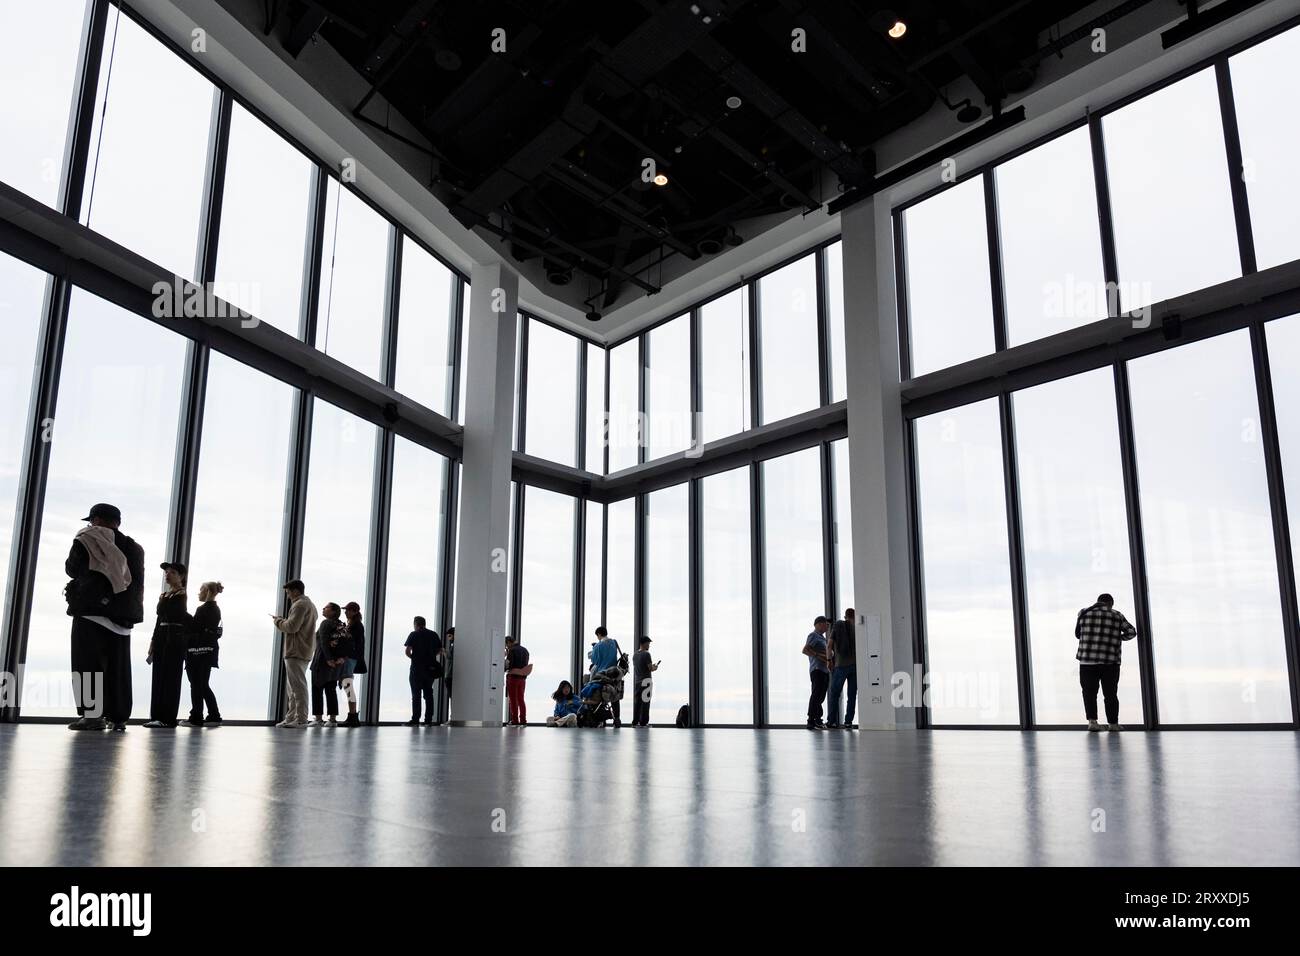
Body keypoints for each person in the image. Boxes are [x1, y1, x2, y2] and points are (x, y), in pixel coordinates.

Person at [64, 503, 144, 732]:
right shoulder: (135, 547)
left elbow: (72, 569)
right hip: (123, 617)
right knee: (118, 667)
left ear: (97, 519)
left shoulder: (87, 537)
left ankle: (92, 716)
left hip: (91, 611)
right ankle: (118, 717)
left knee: (86, 664)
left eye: (91, 520)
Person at [1076, 592, 1137, 732]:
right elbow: (1131, 632)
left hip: (1087, 661)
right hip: (1110, 661)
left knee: (1089, 692)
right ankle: (1113, 724)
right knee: (1110, 693)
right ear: (1110, 603)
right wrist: (1117, 638)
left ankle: (1092, 722)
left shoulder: (1083, 613)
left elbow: (1078, 634)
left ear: (1098, 601)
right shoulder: (1117, 615)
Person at [143, 562, 191, 729]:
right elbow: (159, 620)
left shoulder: (181, 595)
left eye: (172, 572)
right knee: (158, 676)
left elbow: (174, 614)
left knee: (171, 677)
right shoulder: (165, 595)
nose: (167, 574)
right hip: (163, 636)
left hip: (175, 638)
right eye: (167, 572)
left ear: (181, 577)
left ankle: (168, 718)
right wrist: (153, 641)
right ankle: (156, 715)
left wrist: (164, 603)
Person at [272, 580, 318, 728]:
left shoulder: (299, 605)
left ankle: (301, 719)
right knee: (293, 687)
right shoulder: (310, 605)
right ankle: (291, 717)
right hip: (304, 650)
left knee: (297, 687)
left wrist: (278, 621)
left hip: (296, 650)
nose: (288, 596)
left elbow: (292, 627)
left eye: (288, 592)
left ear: (296, 591)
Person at [184, 581, 224, 726]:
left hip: (197, 652)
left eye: (201, 589)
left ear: (207, 591)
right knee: (202, 684)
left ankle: (196, 717)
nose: (198, 592)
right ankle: (213, 715)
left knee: (196, 684)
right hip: (208, 651)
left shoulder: (203, 609)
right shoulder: (215, 609)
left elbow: (195, 629)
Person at [310, 603, 346, 726]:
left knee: (317, 689)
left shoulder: (325, 623)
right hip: (336, 664)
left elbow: (324, 642)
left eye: (326, 608)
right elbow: (345, 643)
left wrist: (328, 659)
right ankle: (332, 719)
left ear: (333, 611)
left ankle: (318, 719)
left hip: (322, 662)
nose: (323, 609)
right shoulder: (340, 624)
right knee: (331, 690)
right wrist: (338, 658)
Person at [405, 616, 443, 726]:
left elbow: (407, 651)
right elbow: (440, 650)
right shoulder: (433, 634)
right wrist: (431, 657)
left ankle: (415, 719)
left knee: (416, 695)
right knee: (428, 694)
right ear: (424, 623)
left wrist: (414, 658)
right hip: (430, 669)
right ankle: (428, 720)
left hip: (416, 669)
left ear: (415, 624)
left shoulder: (414, 634)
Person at [826, 608, 857, 730]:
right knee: (852, 695)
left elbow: (829, 646)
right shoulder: (857, 628)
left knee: (834, 694)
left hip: (840, 665)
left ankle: (831, 721)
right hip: (855, 666)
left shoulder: (837, 627)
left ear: (845, 616)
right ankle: (848, 722)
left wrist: (829, 661)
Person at [339, 601, 368, 727]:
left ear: (355, 611)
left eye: (348, 610)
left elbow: (351, 643)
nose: (346, 612)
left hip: (349, 658)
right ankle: (352, 716)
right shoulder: (355, 625)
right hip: (351, 658)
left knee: (348, 685)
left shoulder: (356, 626)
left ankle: (353, 716)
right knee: (348, 686)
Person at [589, 626, 623, 728]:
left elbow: (594, 661)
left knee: (600, 696)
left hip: (602, 675)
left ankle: (602, 720)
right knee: (615, 697)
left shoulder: (597, 646)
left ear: (599, 634)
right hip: (614, 674)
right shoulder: (614, 642)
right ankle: (617, 719)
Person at [802, 616, 832, 730]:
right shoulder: (813, 635)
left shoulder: (823, 638)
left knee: (821, 696)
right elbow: (805, 650)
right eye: (826, 624)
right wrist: (819, 656)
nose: (828, 626)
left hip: (824, 670)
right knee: (816, 695)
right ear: (818, 624)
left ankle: (818, 720)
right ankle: (811, 720)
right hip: (817, 669)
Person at [504, 635, 531, 725]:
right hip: (522, 678)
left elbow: (508, 664)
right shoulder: (525, 650)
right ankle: (523, 720)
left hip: (513, 677)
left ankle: (515, 721)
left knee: (513, 700)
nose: (507, 647)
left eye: (506, 645)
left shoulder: (512, 650)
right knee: (521, 699)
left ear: (508, 642)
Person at [631, 637, 658, 727]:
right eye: (648, 643)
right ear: (643, 643)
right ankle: (644, 722)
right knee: (646, 702)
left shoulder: (635, 655)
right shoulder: (646, 654)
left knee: (637, 703)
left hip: (638, 681)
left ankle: (635, 722)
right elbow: (650, 668)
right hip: (646, 680)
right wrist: (655, 667)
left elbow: (641, 667)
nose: (649, 645)